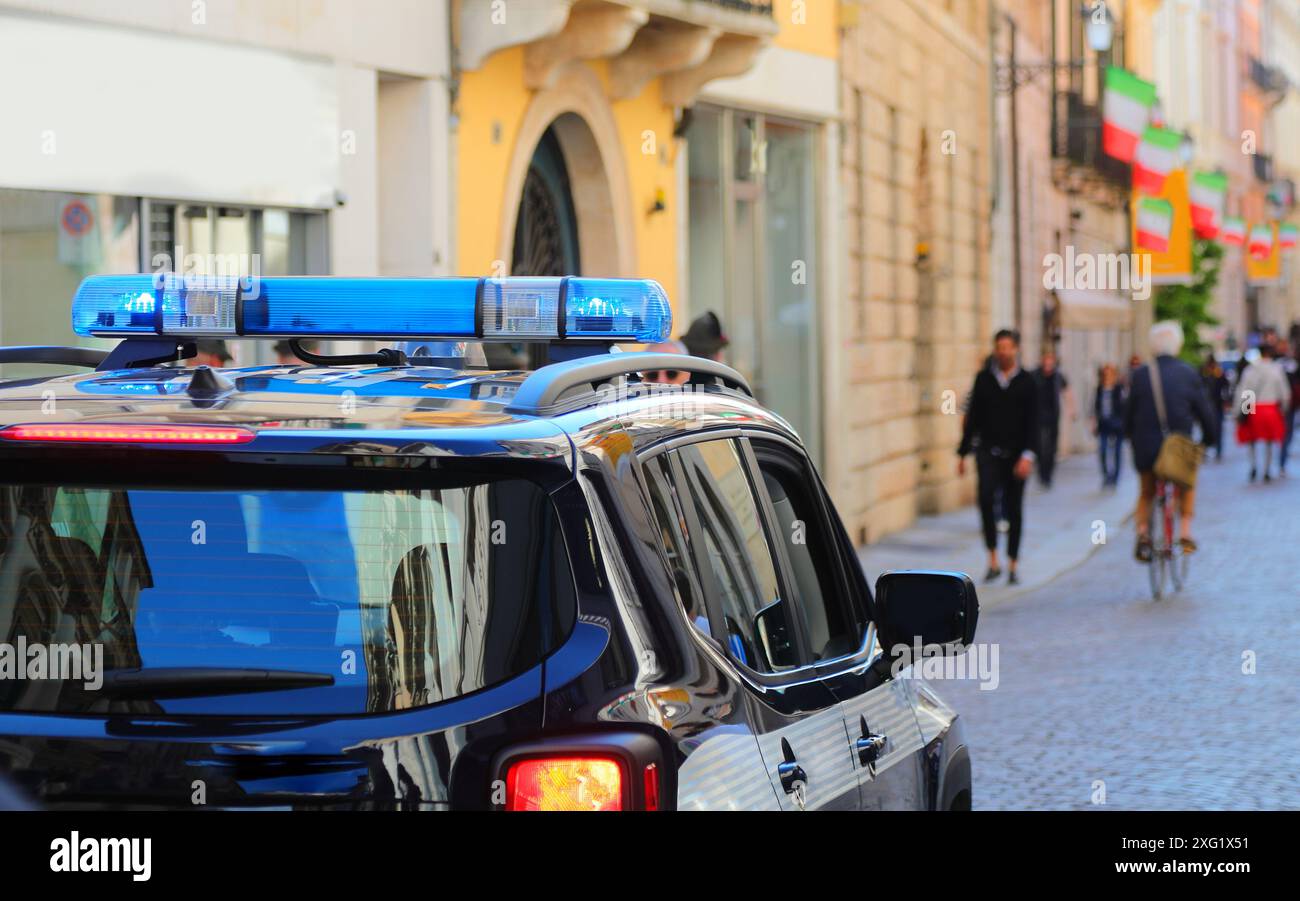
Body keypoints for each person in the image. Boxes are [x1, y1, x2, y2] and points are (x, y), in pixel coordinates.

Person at [1124, 321, 1218, 560]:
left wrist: (1130, 437)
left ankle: (1144, 535)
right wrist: (1208, 439)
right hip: (1178, 447)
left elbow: (1128, 413)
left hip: (1146, 447)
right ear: (1178, 344)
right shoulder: (1187, 373)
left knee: (1146, 492)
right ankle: (1185, 532)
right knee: (1186, 484)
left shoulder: (1141, 374)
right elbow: (1205, 412)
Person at [957, 329, 1037, 585]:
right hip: (988, 452)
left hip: (1016, 455)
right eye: (999, 347)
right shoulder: (983, 379)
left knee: (1014, 508)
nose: (1003, 352)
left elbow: (1034, 422)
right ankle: (993, 558)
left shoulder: (1027, 381)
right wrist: (962, 452)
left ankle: (1012, 563)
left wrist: (1028, 456)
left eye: (1007, 347)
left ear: (1016, 349)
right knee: (985, 500)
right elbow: (973, 419)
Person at [1235, 341, 1290, 482]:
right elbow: (1284, 393)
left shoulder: (1251, 370)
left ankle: (1253, 465)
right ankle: (1267, 469)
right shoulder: (1277, 369)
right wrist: (1284, 408)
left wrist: (1241, 410)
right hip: (1271, 407)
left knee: (1251, 438)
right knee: (1269, 441)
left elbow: (1245, 391)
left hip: (1253, 406)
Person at [1031, 350, 1070, 488]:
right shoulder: (1034, 375)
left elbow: (1066, 392)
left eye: (1050, 361)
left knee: (1052, 448)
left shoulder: (1058, 376)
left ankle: (1048, 475)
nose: (1048, 364)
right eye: (1046, 360)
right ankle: (1042, 474)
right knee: (1041, 447)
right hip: (1037, 416)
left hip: (1053, 416)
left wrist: (1072, 409)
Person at [1093, 363, 1126, 488]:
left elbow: (1124, 406)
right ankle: (1106, 476)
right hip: (1103, 424)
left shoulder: (1119, 388)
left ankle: (1115, 477)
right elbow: (1096, 406)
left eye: (1110, 374)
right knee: (1102, 450)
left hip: (1117, 425)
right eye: (1105, 374)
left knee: (1117, 451)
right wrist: (1094, 420)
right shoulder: (1099, 388)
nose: (1107, 376)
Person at [1199, 354, 1230, 461]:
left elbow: (1226, 387)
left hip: (1216, 405)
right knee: (1207, 429)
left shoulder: (1218, 373)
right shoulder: (1204, 373)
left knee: (1218, 429)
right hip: (1208, 406)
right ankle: (1206, 451)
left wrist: (1226, 401)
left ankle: (1218, 451)